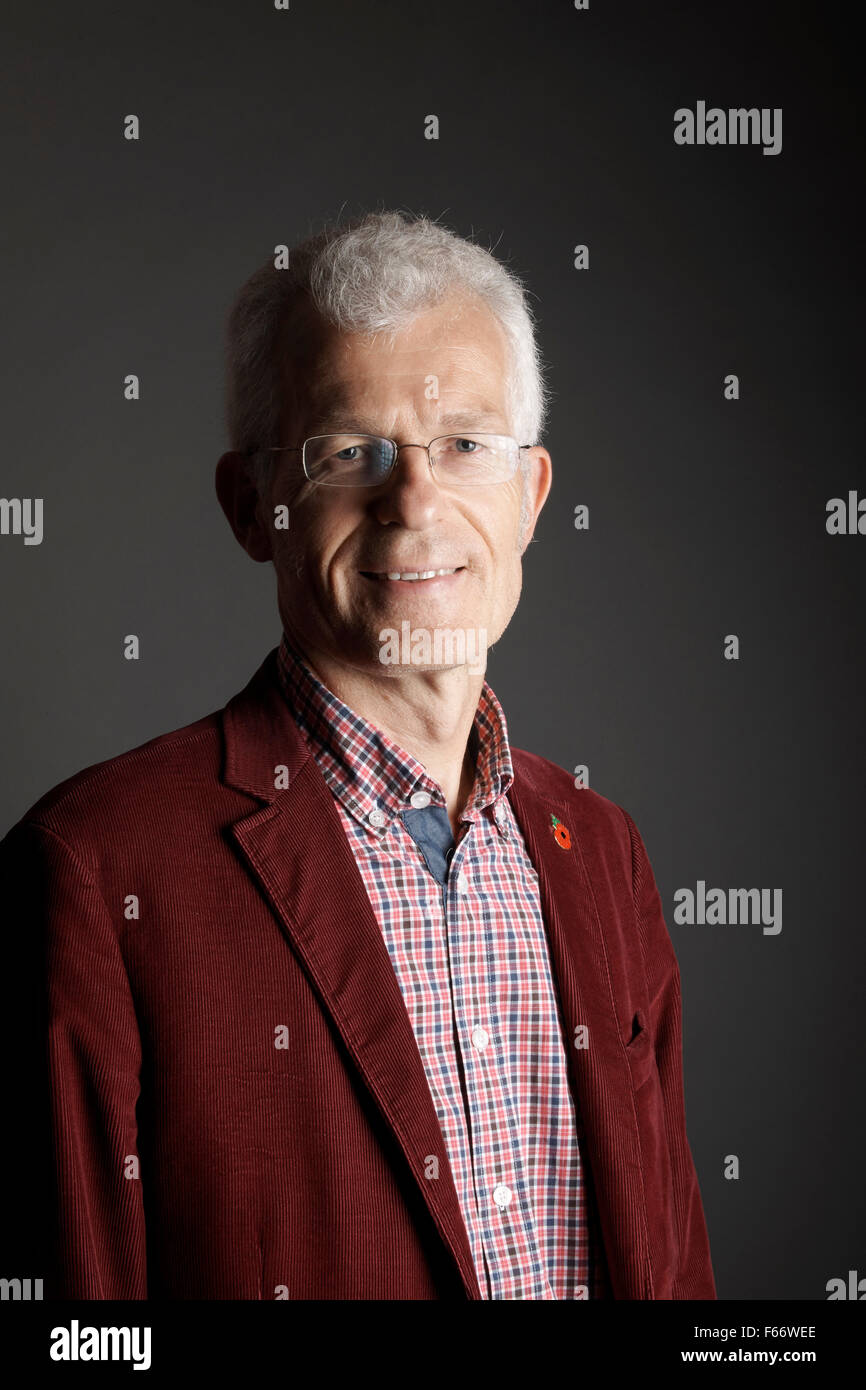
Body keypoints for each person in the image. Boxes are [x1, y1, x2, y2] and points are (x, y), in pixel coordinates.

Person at [0, 210, 715, 1299]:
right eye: (350, 453)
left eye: (465, 445)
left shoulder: (600, 851)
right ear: (253, 507)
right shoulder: (95, 873)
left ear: (527, 498)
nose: (414, 501)